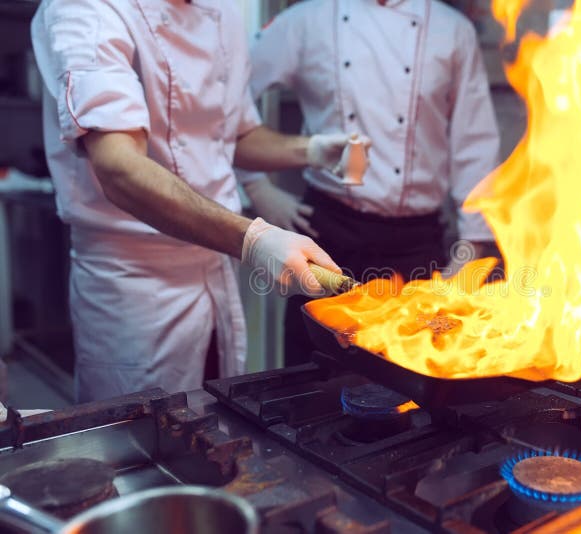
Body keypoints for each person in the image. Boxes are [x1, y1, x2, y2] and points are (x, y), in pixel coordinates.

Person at [31, 0, 349, 402]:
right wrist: (253, 239)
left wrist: (311, 149)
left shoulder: (222, 12)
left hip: (215, 268)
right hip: (135, 283)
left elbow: (232, 135)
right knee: (140, 438)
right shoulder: (87, 8)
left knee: (215, 421)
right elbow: (119, 168)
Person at [246, 0, 502, 366]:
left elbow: (474, 145)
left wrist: (473, 248)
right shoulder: (307, 19)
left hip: (417, 247)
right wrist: (256, 187)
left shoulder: (453, 31)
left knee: (413, 386)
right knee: (312, 385)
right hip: (328, 241)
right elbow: (228, 98)